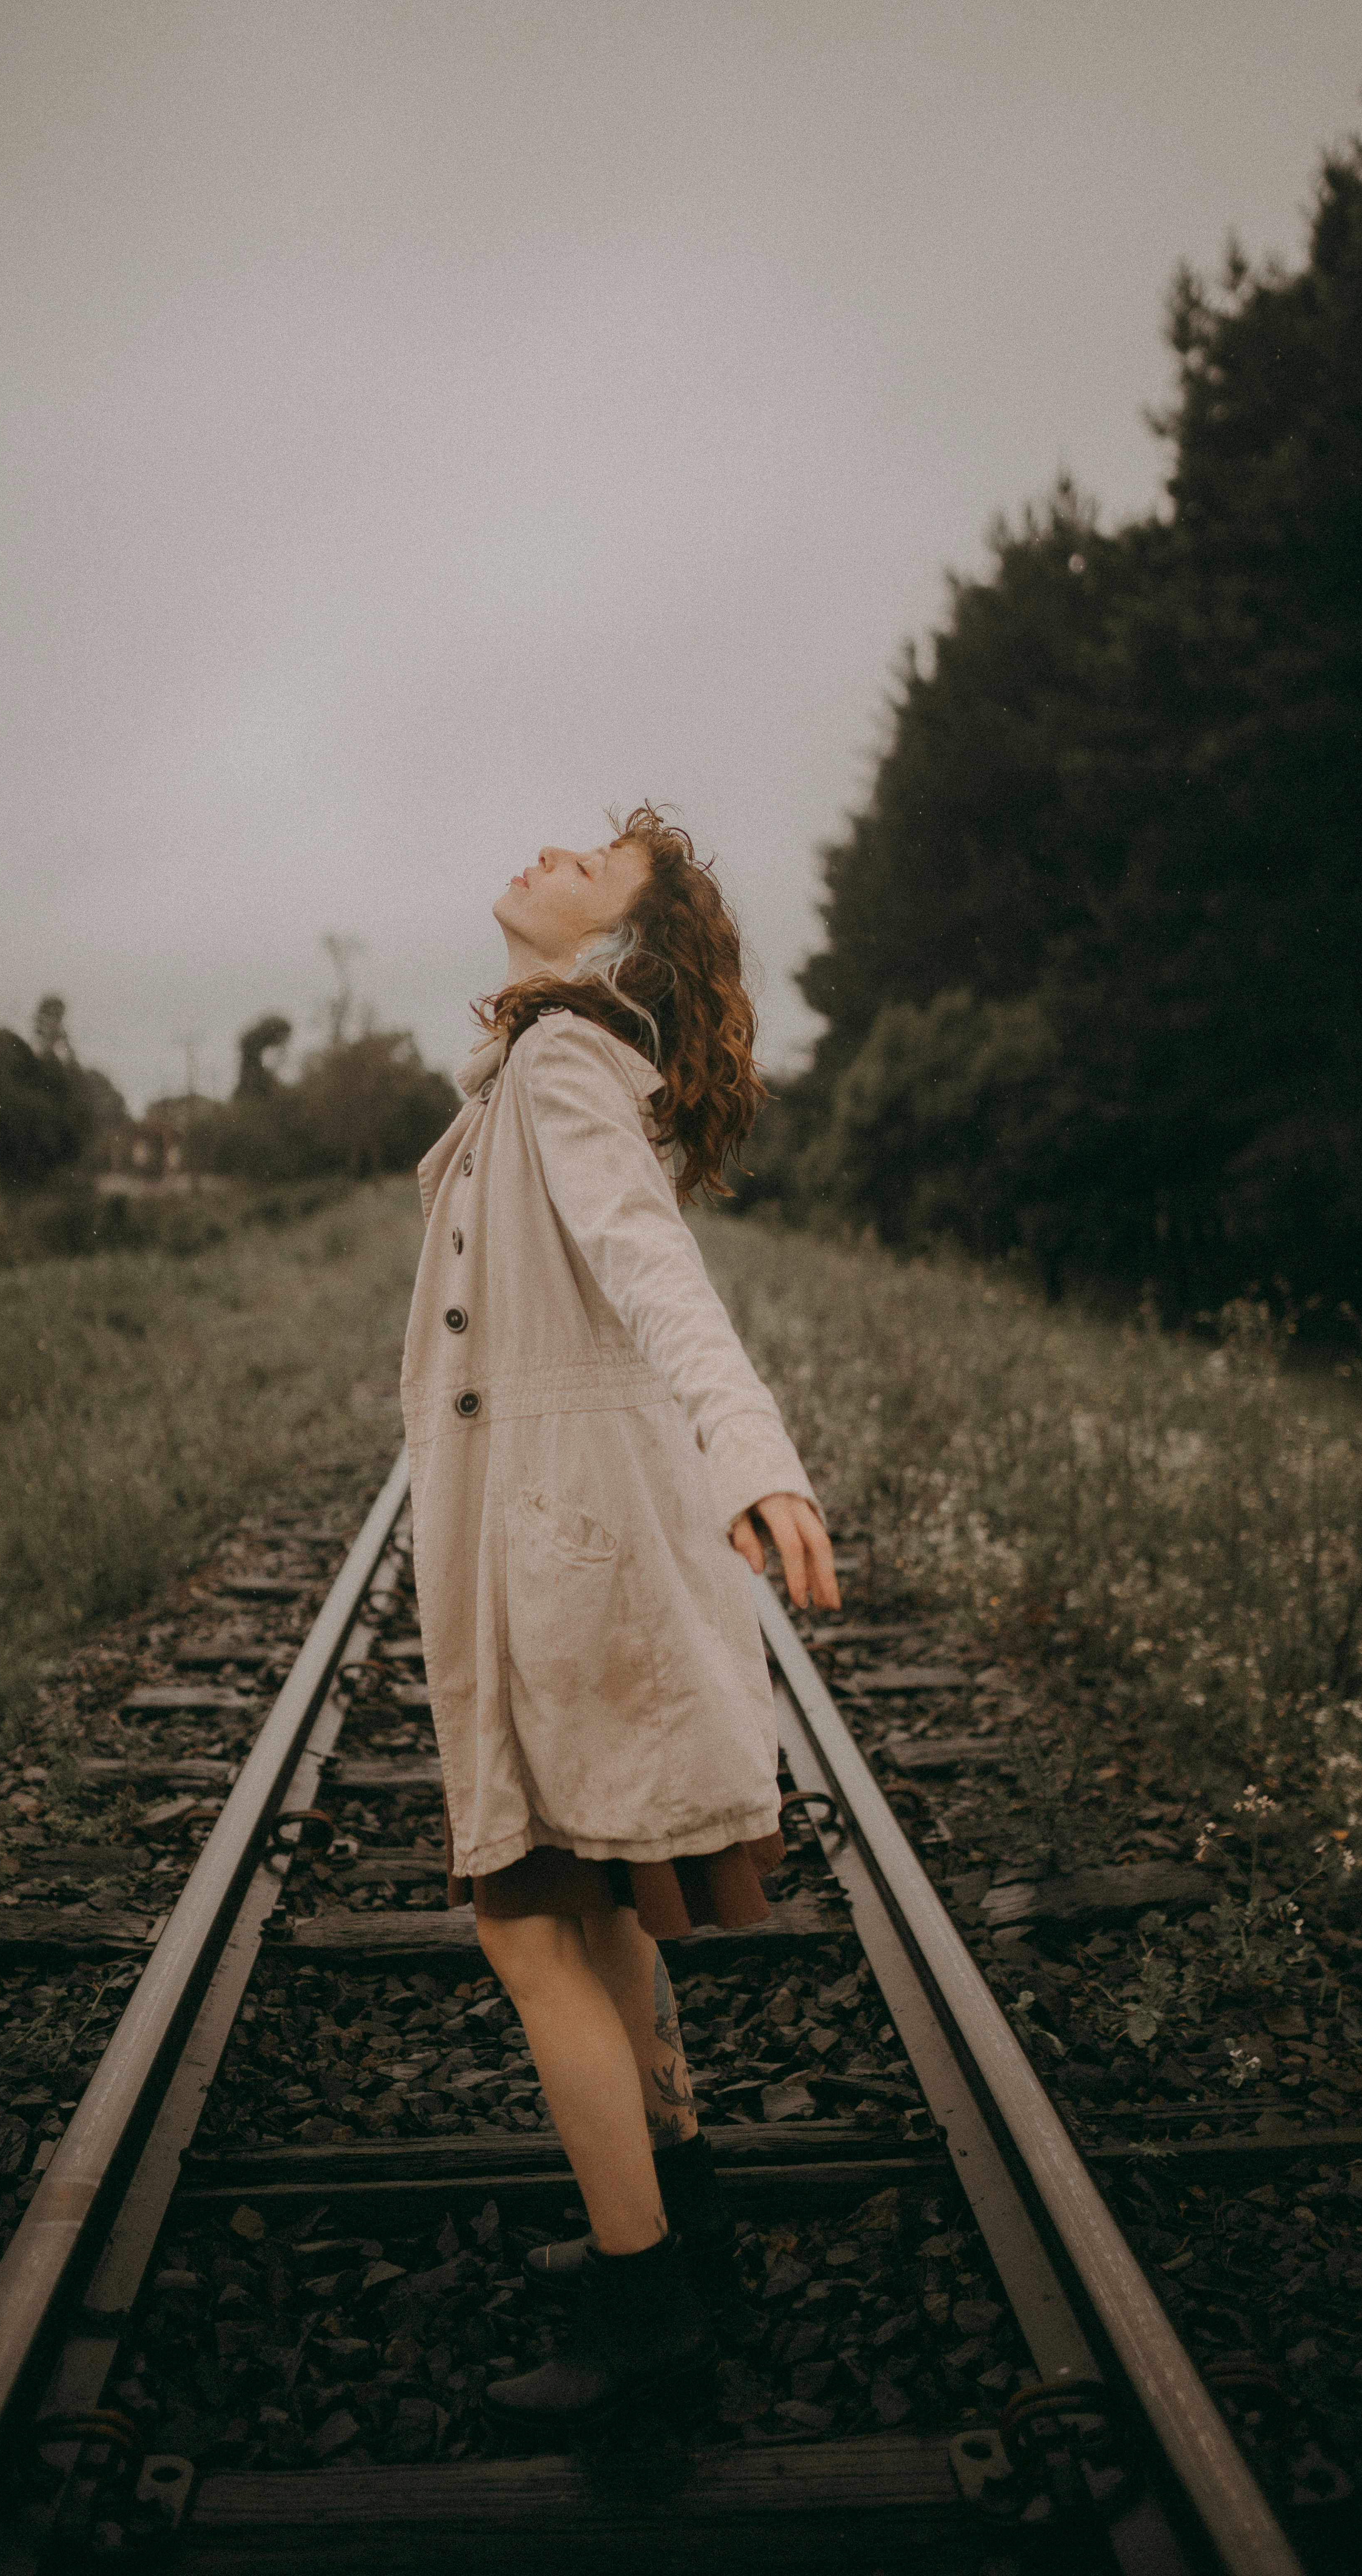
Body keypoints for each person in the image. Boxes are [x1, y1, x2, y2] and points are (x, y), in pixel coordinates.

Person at [401, 804, 839, 2435]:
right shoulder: (547, 1068)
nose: (541, 850)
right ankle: (683, 2198)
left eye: (590, 861)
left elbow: (656, 1273)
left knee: (528, 1927)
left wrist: (752, 1451)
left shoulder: (567, 1062)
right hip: (566, 1550)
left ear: (612, 943)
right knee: (590, 1912)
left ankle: (643, 2321)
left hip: (562, 1559)